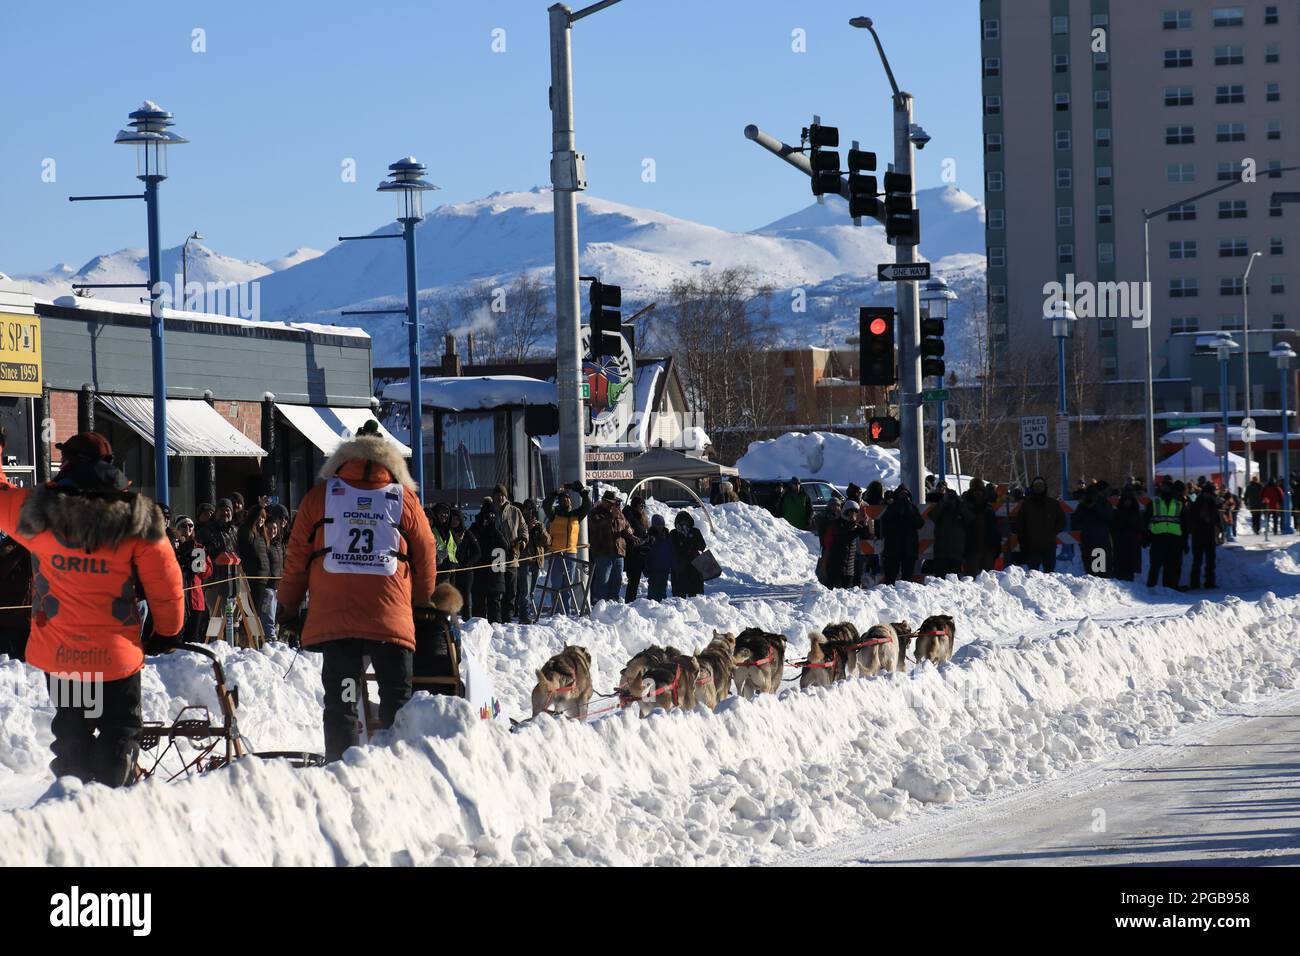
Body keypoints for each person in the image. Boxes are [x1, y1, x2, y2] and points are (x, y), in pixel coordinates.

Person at [0, 431, 183, 787]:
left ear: (67, 463)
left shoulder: (39, 511)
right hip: (117, 659)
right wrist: (168, 631)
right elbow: (166, 583)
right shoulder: (136, 515)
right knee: (119, 732)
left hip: (65, 657)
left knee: (73, 737)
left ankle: (73, 804)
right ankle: (115, 800)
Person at [277, 423, 436, 762]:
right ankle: (400, 770)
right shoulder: (404, 499)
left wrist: (288, 606)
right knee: (396, 700)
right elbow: (426, 551)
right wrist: (422, 601)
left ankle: (341, 766)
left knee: (343, 701)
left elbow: (296, 559)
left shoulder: (319, 498)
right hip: (390, 620)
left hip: (338, 620)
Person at [544, 482, 593, 612]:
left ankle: (565, 611)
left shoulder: (576, 515)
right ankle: (556, 611)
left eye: (567, 498)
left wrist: (582, 492)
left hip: (571, 553)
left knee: (568, 584)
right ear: (560, 502)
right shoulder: (554, 514)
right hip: (556, 554)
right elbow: (546, 504)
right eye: (563, 498)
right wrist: (556, 493)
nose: (566, 500)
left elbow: (588, 506)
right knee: (556, 584)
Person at [198, 498, 241, 624]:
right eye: (221, 510)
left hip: (233, 583)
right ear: (215, 513)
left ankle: (231, 643)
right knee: (216, 619)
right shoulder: (205, 531)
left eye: (228, 510)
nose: (225, 513)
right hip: (214, 582)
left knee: (233, 620)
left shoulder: (236, 531)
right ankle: (215, 643)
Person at [172, 515, 213, 644]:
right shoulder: (173, 547)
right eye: (183, 525)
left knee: (194, 638)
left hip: (195, 598)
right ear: (177, 529)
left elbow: (207, 572)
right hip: (178, 598)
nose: (188, 528)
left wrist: (201, 566)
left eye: (190, 525)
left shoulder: (199, 548)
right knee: (178, 637)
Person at [490, 485, 527, 621]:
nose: (500, 498)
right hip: (496, 555)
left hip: (512, 555)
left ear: (506, 497)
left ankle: (508, 618)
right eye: (497, 495)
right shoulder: (490, 511)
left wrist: (520, 544)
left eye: (502, 495)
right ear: (493, 497)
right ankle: (496, 618)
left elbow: (524, 529)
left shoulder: (515, 511)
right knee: (497, 589)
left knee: (511, 590)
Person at [469, 498, 510, 624]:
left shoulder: (498, 530)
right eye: (486, 516)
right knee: (478, 608)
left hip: (495, 574)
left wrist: (494, 530)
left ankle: (496, 635)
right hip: (479, 573)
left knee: (494, 607)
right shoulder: (475, 529)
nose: (488, 519)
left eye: (491, 516)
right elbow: (469, 545)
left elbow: (505, 548)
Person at [1015, 477, 1065, 572]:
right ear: (1032, 488)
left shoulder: (1053, 504)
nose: (1038, 488)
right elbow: (1020, 525)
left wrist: (1052, 532)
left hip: (1049, 545)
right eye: (1036, 486)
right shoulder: (1026, 505)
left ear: (1045, 487)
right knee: (1033, 574)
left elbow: (1061, 521)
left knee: (1050, 574)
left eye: (1041, 485)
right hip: (1032, 546)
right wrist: (1023, 541)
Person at [1144, 480, 1187, 589]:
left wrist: (1184, 542)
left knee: (1171, 566)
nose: (1166, 491)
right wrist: (1146, 536)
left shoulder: (1179, 504)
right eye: (1164, 489)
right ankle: (1151, 588)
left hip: (1174, 540)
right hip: (1158, 539)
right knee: (1155, 565)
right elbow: (1145, 521)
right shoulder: (1154, 503)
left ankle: (1170, 588)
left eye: (1168, 489)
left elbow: (1185, 525)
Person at [879, 485, 923, 585]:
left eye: (906, 495)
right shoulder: (891, 508)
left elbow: (920, 523)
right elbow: (884, 524)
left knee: (907, 578)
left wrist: (909, 508)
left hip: (909, 547)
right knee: (890, 577)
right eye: (901, 495)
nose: (903, 497)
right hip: (893, 547)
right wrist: (897, 507)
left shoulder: (912, 508)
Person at [515, 499, 550, 621]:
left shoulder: (539, 524)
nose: (530, 512)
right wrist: (529, 529)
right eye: (528, 509)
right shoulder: (520, 523)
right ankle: (523, 616)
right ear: (523, 509)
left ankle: (528, 613)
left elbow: (548, 542)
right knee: (524, 592)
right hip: (524, 560)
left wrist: (542, 531)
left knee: (532, 592)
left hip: (536, 561)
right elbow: (520, 539)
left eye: (532, 509)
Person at [0, 535, 32, 661]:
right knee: (9, 667)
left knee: (26, 670)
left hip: (27, 623)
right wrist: (24, 547)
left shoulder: (29, 554)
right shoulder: (9, 545)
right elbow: (3, 569)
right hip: (6, 623)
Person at [1072, 484, 1114, 577]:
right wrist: (1084, 506)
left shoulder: (1103, 503)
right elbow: (1075, 522)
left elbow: (1108, 517)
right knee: (1091, 572)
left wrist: (1094, 506)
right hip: (1088, 542)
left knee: (1101, 572)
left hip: (1100, 542)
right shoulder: (1082, 506)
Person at [825, 499, 868, 588]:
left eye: (855, 512)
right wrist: (854, 524)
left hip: (850, 564)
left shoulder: (855, 525)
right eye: (850, 512)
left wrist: (864, 524)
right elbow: (843, 535)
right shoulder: (838, 523)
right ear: (845, 512)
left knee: (847, 588)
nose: (852, 515)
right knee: (834, 588)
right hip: (836, 562)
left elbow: (865, 535)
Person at [928, 485, 968, 578]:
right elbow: (933, 516)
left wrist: (960, 503)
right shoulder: (941, 509)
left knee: (954, 579)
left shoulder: (960, 510)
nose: (951, 500)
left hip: (955, 552)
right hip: (942, 552)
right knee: (940, 579)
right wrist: (943, 502)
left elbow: (970, 519)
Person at [1187, 483, 1222, 589]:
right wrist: (1220, 531)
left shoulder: (1196, 502)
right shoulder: (1211, 502)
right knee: (1210, 561)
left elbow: (1191, 519)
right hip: (1208, 535)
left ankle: (1195, 582)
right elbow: (1216, 519)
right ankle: (1209, 582)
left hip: (1197, 536)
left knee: (1197, 561)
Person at [447, 508, 479, 617]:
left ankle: (467, 623)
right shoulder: (446, 532)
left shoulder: (467, 533)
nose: (454, 521)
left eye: (457, 519)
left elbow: (478, 552)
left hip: (465, 572)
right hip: (452, 571)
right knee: (452, 599)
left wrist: (469, 563)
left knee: (465, 599)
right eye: (453, 518)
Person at [1111, 487, 1145, 582]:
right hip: (1120, 540)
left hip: (1131, 540)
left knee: (1130, 563)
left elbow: (1139, 526)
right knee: (1120, 561)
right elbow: (1113, 527)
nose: (1127, 503)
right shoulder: (1118, 512)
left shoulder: (1135, 512)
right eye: (1126, 501)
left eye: (1129, 501)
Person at [670, 511, 707, 598]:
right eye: (681, 521)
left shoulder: (695, 531)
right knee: (679, 593)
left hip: (694, 564)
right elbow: (671, 549)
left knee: (694, 592)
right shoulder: (674, 533)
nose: (684, 524)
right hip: (679, 565)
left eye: (686, 521)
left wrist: (690, 538)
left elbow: (702, 546)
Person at [622, 496, 650, 602]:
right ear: (635, 505)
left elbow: (642, 532)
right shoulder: (629, 515)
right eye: (640, 505)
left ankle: (632, 600)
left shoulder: (641, 517)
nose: (642, 508)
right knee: (633, 580)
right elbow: (626, 530)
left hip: (639, 553)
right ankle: (630, 601)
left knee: (635, 580)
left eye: (644, 506)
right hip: (631, 553)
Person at [263, 511, 285, 640]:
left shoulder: (278, 545)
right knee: (268, 614)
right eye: (269, 528)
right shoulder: (264, 544)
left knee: (276, 614)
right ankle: (269, 637)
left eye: (275, 528)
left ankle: (276, 636)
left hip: (278, 585)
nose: (272, 531)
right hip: (267, 585)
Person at [643, 514, 676, 600]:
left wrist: (671, 564)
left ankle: (661, 608)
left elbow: (671, 551)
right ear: (654, 525)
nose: (660, 527)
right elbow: (646, 553)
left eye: (661, 524)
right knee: (653, 591)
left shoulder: (667, 535)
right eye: (657, 524)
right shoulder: (650, 536)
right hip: (653, 568)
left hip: (664, 567)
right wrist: (646, 567)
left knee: (662, 590)